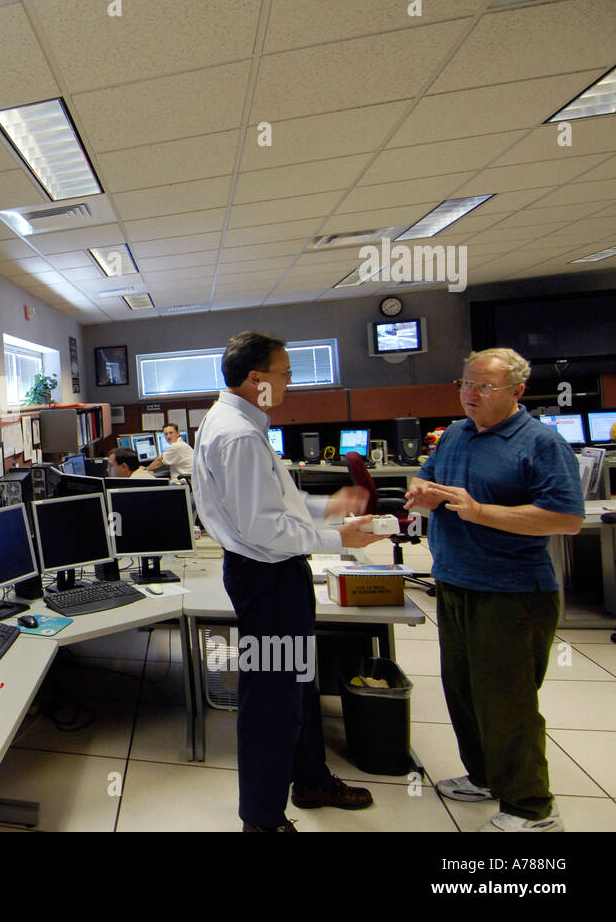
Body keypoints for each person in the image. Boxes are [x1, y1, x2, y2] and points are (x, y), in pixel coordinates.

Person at [191, 331, 387, 832]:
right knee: (272, 700)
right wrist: (338, 538)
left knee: (298, 685)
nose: (289, 383)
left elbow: (275, 507)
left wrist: (327, 509)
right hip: (268, 577)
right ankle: (261, 819)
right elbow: (263, 529)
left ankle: (311, 778)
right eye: (284, 373)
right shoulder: (237, 434)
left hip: (272, 573)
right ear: (255, 379)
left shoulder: (241, 423)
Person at [404, 348, 583, 832]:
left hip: (513, 592)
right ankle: (485, 776)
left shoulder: (541, 443)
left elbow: (567, 519)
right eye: (465, 384)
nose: (470, 394)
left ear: (517, 392)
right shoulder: (457, 433)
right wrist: (422, 492)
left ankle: (532, 808)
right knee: (463, 692)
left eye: (484, 387)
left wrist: (481, 512)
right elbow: (430, 482)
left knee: (507, 701)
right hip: (455, 582)